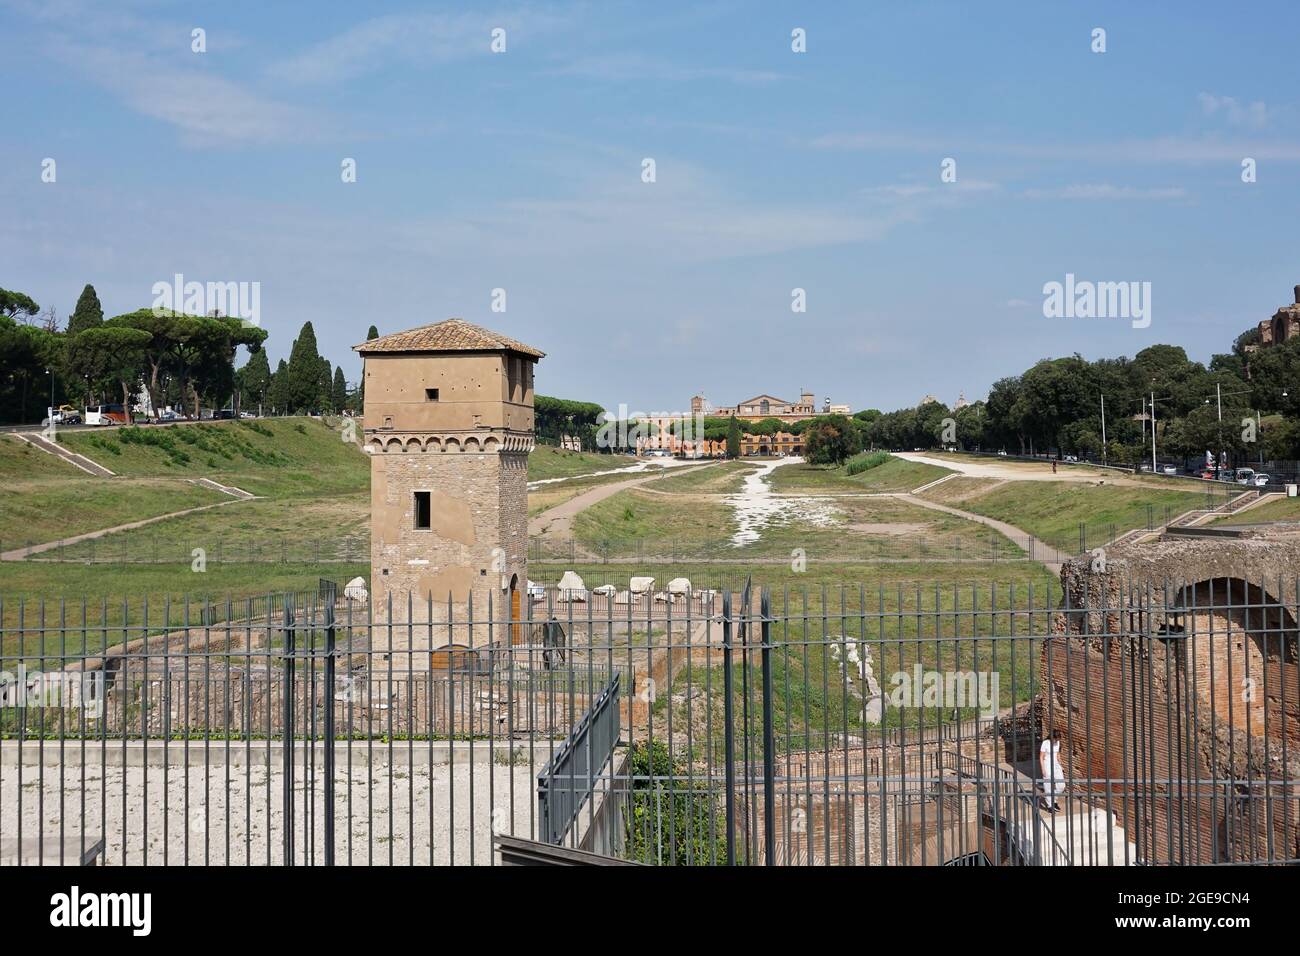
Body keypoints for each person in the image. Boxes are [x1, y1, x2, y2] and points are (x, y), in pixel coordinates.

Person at [1039, 728, 1065, 812]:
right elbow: (1041, 757)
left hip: (1056, 765)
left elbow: (1058, 754)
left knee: (1061, 785)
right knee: (1048, 786)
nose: (1056, 741)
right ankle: (1050, 805)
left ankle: (1053, 800)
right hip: (1047, 764)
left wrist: (1061, 765)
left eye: (1057, 739)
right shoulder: (1045, 743)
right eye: (1055, 739)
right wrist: (1043, 769)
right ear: (1051, 737)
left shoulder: (1058, 742)